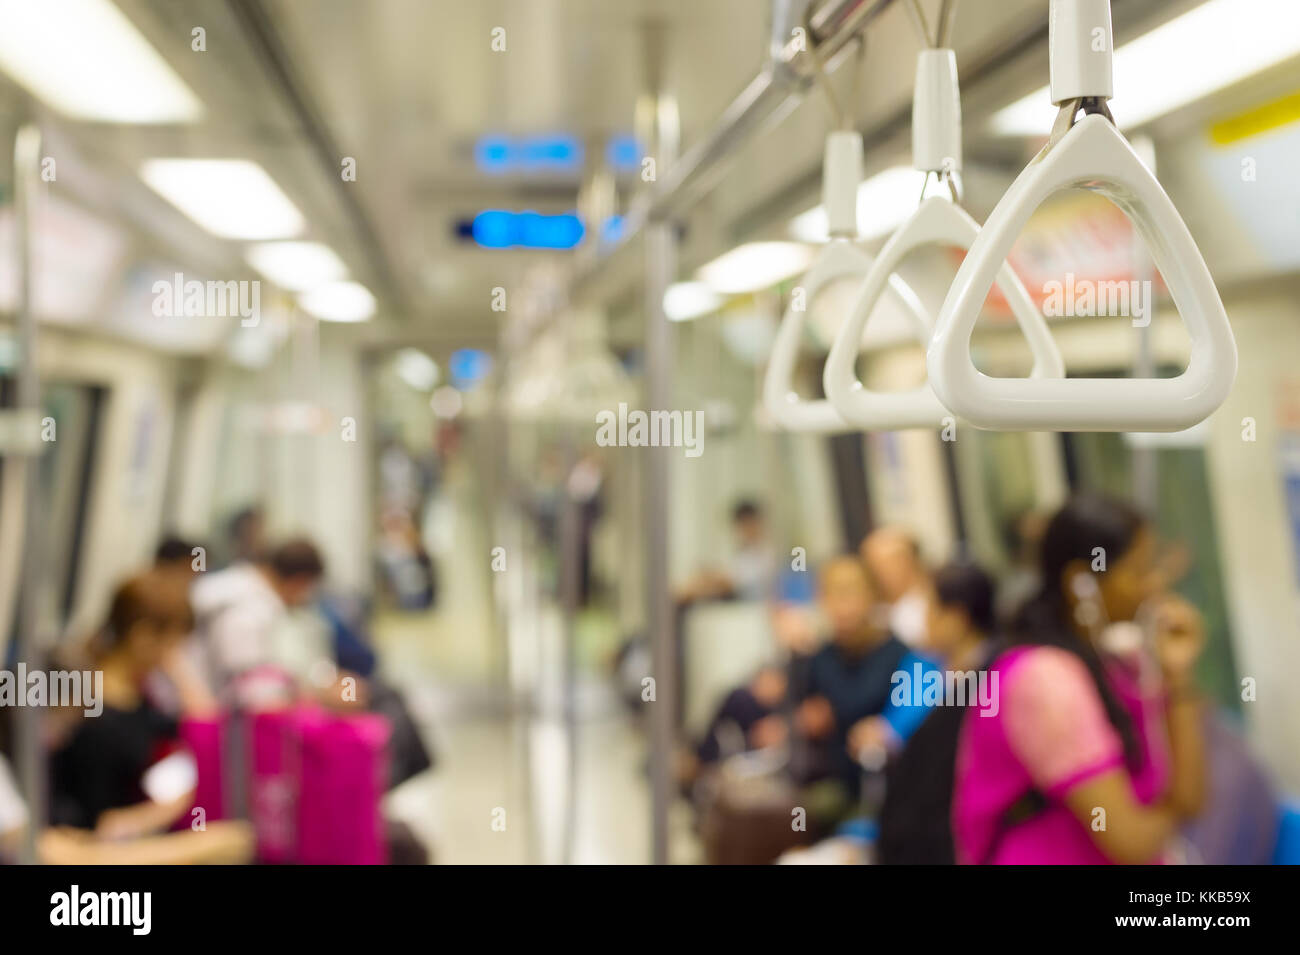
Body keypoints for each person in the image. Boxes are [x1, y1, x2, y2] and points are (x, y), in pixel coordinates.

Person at [951, 493, 1207, 865]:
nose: (1154, 587)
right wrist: (1172, 811)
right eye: (1138, 572)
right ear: (1081, 582)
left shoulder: (1112, 664)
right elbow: (1131, 841)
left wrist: (1178, 676)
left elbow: (1191, 797)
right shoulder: (1045, 681)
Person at [50, 570, 217, 836]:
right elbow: (95, 823)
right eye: (175, 642)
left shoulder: (139, 699)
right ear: (143, 636)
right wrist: (170, 809)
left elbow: (207, 728)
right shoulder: (93, 715)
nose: (177, 654)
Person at [876, 560, 998, 864]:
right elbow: (896, 729)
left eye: (929, 608)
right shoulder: (925, 667)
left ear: (956, 617)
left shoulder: (990, 679)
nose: (923, 621)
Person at [791, 556, 913, 798]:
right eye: (831, 593)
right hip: (830, 780)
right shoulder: (819, 656)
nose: (841, 604)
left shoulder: (899, 655)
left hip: (888, 788)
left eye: (850, 592)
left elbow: (857, 705)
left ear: (873, 595)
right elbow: (804, 716)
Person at [190, 538, 342, 704]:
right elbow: (249, 688)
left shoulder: (237, 584)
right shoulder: (247, 607)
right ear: (300, 581)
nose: (306, 598)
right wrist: (317, 696)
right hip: (198, 712)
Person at [861, 527, 931, 648]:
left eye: (887, 563)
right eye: (872, 564)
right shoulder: (871, 611)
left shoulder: (930, 606)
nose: (878, 571)